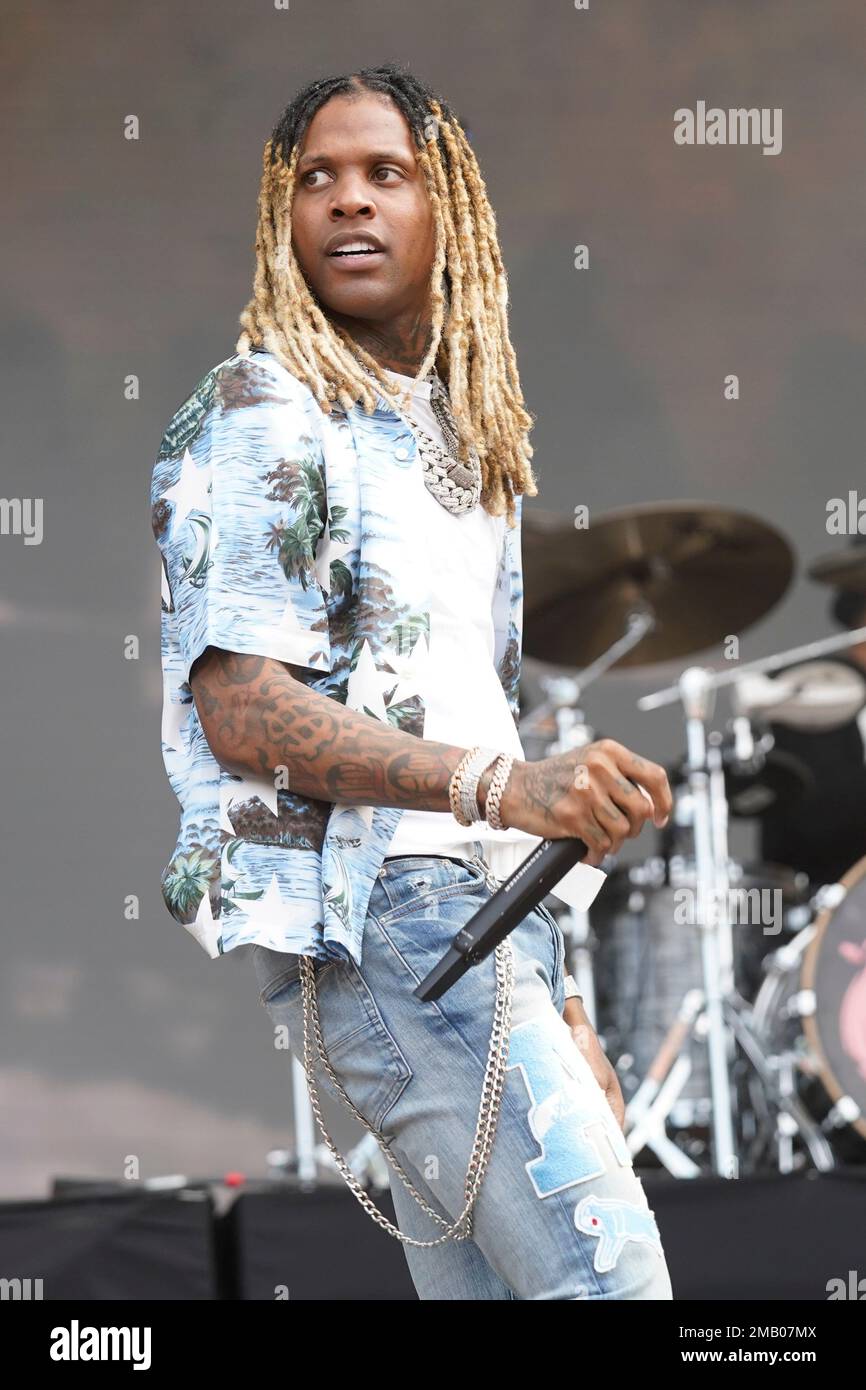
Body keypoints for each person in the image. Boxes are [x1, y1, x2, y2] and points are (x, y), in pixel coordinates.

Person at [150, 63, 674, 1300]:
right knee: (611, 1289)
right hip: (389, 914)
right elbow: (244, 710)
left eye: (385, 175)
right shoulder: (267, 406)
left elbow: (469, 708)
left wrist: (566, 1014)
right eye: (315, 180)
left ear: (452, 215)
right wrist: (504, 785)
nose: (347, 203)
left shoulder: (456, 436)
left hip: (488, 929)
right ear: (282, 223)